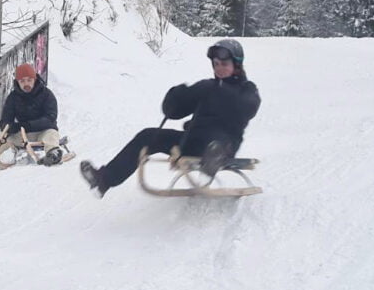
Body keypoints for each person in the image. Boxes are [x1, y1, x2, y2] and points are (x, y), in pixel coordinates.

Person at [79, 39, 261, 198]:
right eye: (216, 64)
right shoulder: (206, 86)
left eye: (224, 64)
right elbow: (174, 112)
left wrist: (221, 91)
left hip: (222, 144)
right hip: (191, 141)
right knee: (148, 136)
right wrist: (176, 97)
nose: (219, 68)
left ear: (236, 65)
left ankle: (211, 163)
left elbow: (249, 107)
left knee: (215, 144)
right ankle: (104, 180)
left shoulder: (246, 89)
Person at [0, 63, 64, 171]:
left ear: (35, 79)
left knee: (51, 134)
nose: (26, 84)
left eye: (29, 80)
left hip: (42, 131)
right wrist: (10, 127)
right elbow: (5, 120)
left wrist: (28, 125)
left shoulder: (47, 95)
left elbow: (50, 118)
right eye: (22, 81)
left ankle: (53, 153)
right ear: (18, 82)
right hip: (22, 135)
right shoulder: (13, 98)